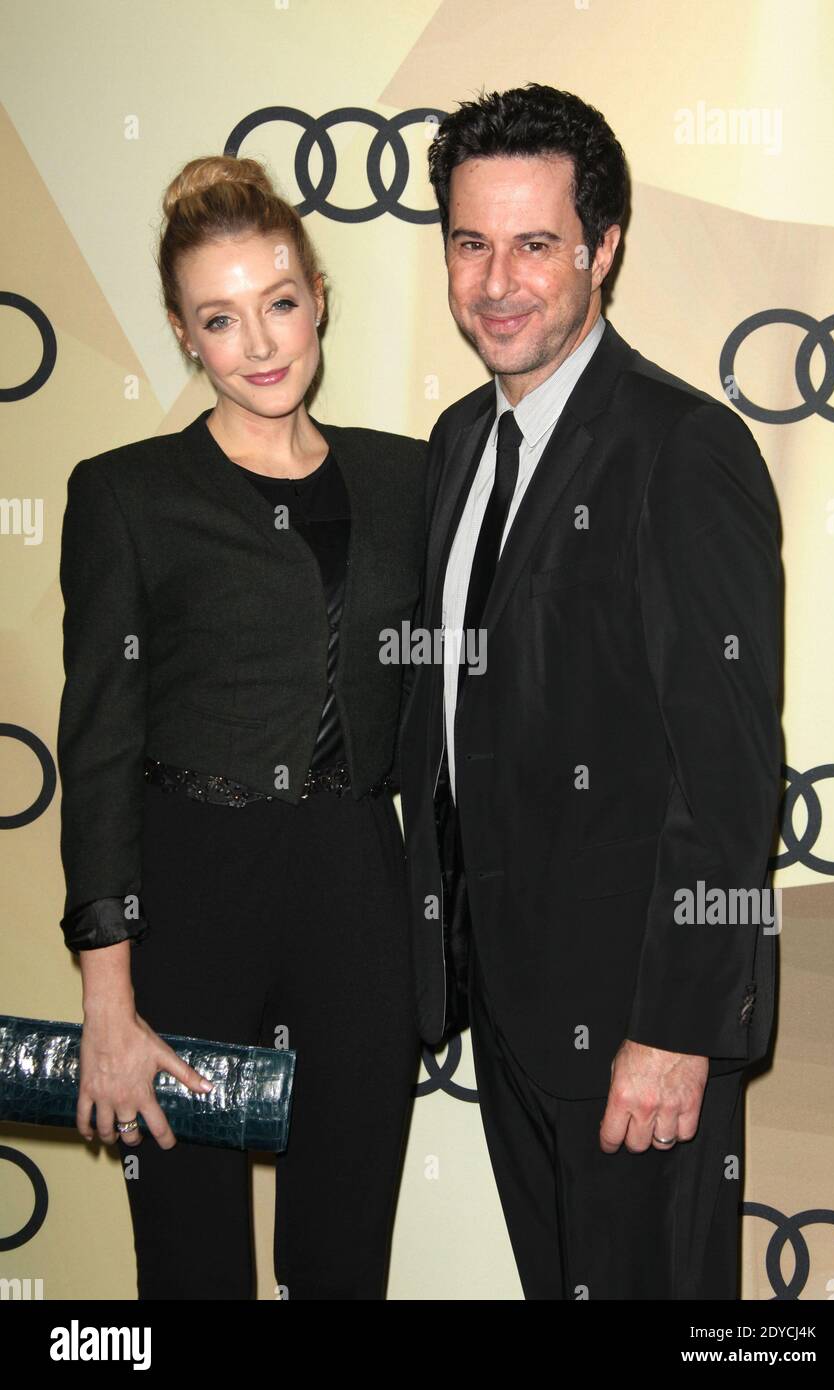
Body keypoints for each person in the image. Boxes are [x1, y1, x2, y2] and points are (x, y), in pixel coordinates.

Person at [398, 84, 782, 1299]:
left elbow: (725, 778)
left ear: (602, 249)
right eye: (470, 242)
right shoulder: (460, 442)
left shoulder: (680, 449)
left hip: (635, 1029)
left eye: (534, 244)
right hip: (509, 1013)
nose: (495, 280)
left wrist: (673, 1030)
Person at [56, 154, 427, 1300]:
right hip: (193, 886)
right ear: (182, 334)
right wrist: (107, 1005)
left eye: (278, 302)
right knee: (188, 1255)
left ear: (318, 295)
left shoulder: (412, 478)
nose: (260, 342)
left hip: (355, 885)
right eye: (221, 318)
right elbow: (101, 748)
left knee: (341, 1252)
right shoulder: (128, 494)